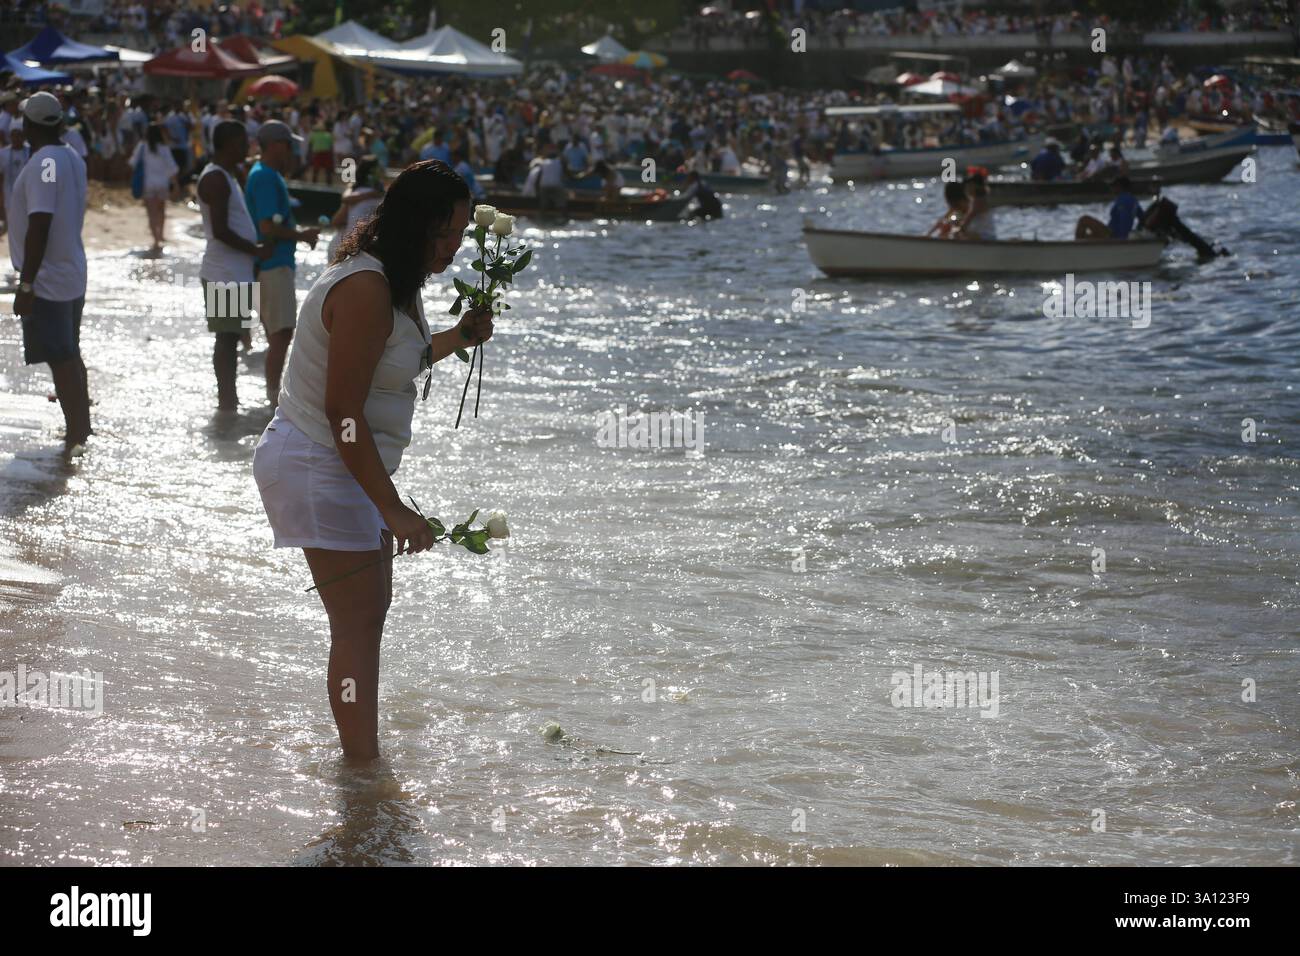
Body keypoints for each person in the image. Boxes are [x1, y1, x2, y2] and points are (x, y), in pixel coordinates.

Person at [251, 160, 494, 762]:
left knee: (368, 616)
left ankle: (362, 763)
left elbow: (391, 365)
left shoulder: (393, 281)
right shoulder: (366, 288)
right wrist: (391, 506)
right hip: (317, 459)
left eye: (461, 234)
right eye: (444, 234)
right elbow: (345, 412)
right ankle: (361, 773)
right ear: (413, 225)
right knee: (357, 624)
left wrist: (458, 338)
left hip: (339, 459)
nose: (453, 247)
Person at [7, 92, 91, 453]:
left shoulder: (44, 163)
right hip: (70, 270)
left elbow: (40, 224)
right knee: (70, 355)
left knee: (62, 359)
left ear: (28, 125)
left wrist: (26, 283)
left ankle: (76, 438)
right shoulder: (71, 154)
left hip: (49, 278)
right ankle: (81, 431)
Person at [197, 120, 273, 410]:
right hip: (223, 272)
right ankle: (226, 401)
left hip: (233, 271)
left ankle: (228, 400)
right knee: (226, 339)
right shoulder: (216, 178)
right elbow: (220, 230)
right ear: (229, 143)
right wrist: (254, 250)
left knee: (232, 337)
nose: (247, 146)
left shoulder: (227, 175)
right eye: (243, 142)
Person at [245, 120, 320, 408]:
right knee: (282, 333)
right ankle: (274, 399)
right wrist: (301, 234)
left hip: (271, 264)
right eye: (289, 145)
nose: (291, 151)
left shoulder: (264, 174)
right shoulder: (265, 176)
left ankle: (272, 396)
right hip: (274, 265)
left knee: (278, 332)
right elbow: (266, 226)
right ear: (276, 145)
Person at [130, 123, 179, 256]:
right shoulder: (164, 148)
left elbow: (133, 163)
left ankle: (156, 239)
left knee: (151, 213)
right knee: (161, 211)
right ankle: (161, 234)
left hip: (148, 184)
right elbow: (172, 167)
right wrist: (176, 184)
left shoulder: (142, 147)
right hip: (162, 184)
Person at [327, 155, 385, 260]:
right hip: (358, 250)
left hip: (341, 247)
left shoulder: (356, 192)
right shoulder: (378, 196)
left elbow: (336, 221)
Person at [1075, 176, 1144, 240]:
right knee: (1087, 236)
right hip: (1116, 233)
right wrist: (1137, 230)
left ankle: (1077, 247)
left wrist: (1121, 239)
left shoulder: (1123, 200)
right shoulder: (1133, 200)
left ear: (1119, 187)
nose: (1111, 188)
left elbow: (1124, 219)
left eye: (1113, 186)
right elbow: (1142, 218)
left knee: (1084, 219)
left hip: (1114, 235)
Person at [0, 121, 30, 236]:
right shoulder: (3, 153)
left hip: (27, 194)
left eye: (19, 134)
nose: (17, 138)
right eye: (14, 134)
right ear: (10, 136)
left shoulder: (30, 151)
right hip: (9, 194)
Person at [954, 170, 996, 240]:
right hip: (985, 236)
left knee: (955, 234)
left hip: (985, 237)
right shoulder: (980, 199)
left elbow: (967, 221)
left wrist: (958, 229)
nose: (967, 188)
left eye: (970, 185)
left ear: (976, 186)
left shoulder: (978, 201)